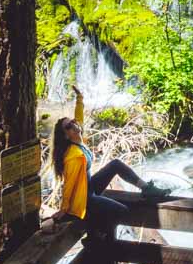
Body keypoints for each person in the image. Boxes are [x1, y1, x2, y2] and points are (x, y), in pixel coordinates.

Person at [51, 87, 170, 231]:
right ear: (66, 135)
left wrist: (80, 98)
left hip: (89, 188)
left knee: (115, 164)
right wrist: (64, 209)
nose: (75, 124)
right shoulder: (74, 155)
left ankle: (147, 189)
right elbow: (69, 184)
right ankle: (97, 235)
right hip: (84, 200)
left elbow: (79, 118)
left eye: (74, 121)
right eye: (69, 125)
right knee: (123, 211)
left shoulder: (78, 140)